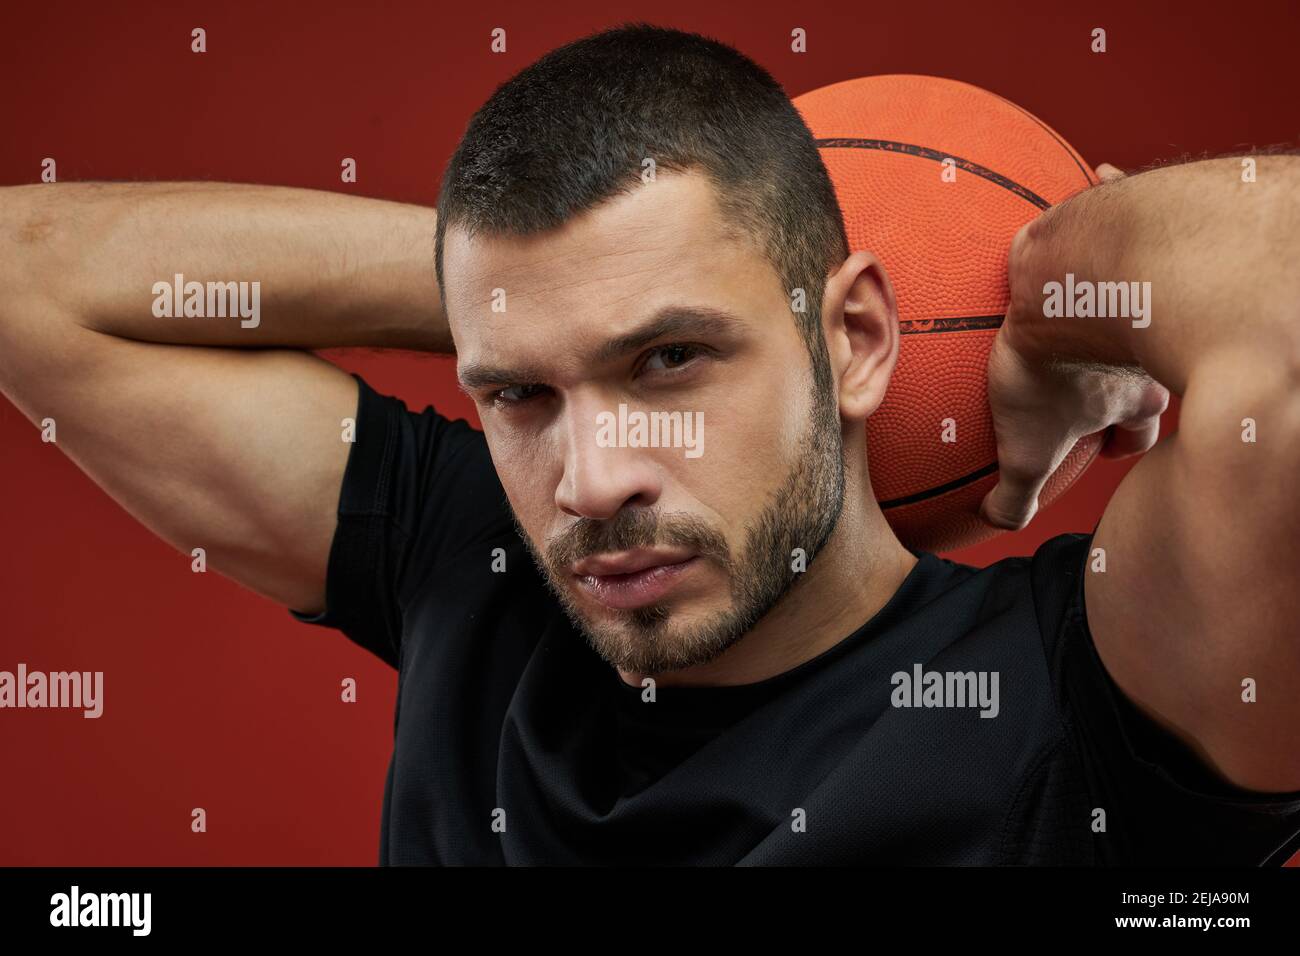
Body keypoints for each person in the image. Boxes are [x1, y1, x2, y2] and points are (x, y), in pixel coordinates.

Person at [2, 23, 1297, 865]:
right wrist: (550, 279)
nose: (593, 478)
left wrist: (1053, 286)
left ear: (852, 337)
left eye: (670, 359)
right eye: (515, 395)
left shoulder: (1088, 703)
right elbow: (25, 273)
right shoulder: (485, 568)